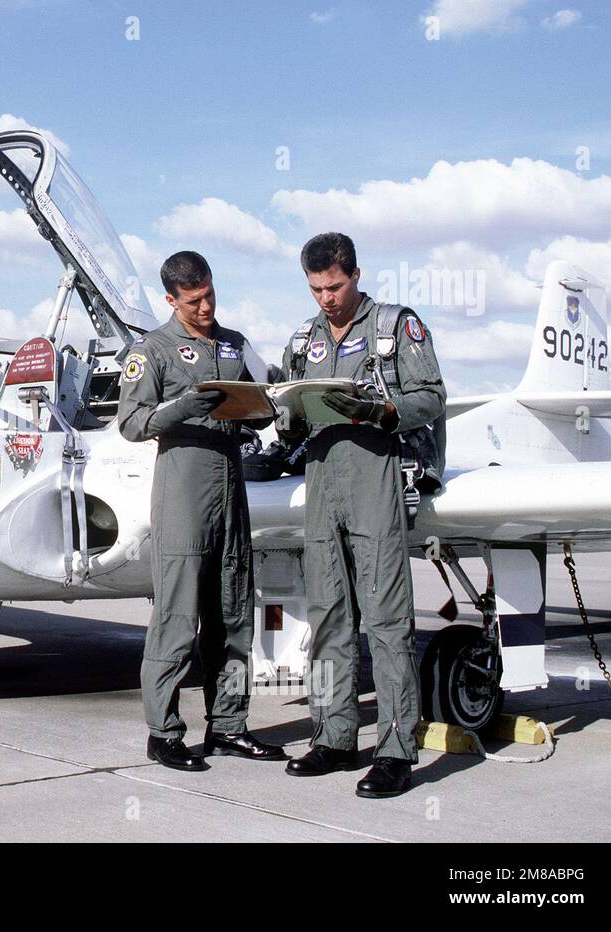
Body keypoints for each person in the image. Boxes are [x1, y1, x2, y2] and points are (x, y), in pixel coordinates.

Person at [277, 232, 446, 798]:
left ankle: (397, 749)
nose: (326, 298)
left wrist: (383, 408)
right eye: (316, 288)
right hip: (322, 481)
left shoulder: (396, 328)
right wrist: (279, 414)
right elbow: (287, 409)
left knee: (387, 619)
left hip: (378, 475)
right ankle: (335, 737)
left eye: (335, 285)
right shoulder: (304, 340)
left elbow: (432, 397)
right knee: (328, 616)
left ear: (355, 274)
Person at [118, 250, 286, 771]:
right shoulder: (153, 351)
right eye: (194, 301)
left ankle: (229, 727)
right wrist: (181, 407)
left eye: (210, 294)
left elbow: (266, 400)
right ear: (171, 299)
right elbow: (131, 421)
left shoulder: (234, 344)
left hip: (232, 492)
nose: (206, 307)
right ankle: (163, 732)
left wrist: (265, 409)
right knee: (176, 618)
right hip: (183, 496)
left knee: (234, 614)